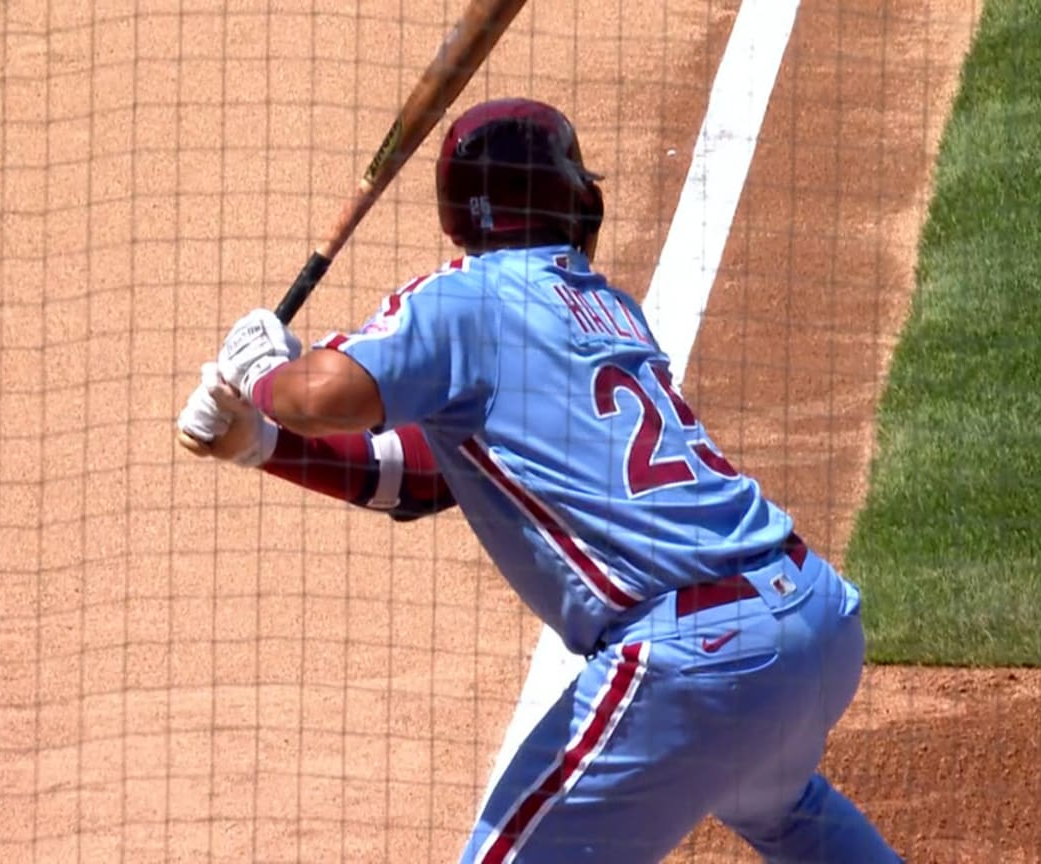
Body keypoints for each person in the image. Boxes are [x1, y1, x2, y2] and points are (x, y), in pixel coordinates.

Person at [177, 97, 901, 863]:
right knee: (784, 810)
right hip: (810, 623)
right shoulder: (611, 311)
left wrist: (265, 372)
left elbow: (322, 397)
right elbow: (425, 478)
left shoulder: (466, 298)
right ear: (568, 197)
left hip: (699, 657)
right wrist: (260, 441)